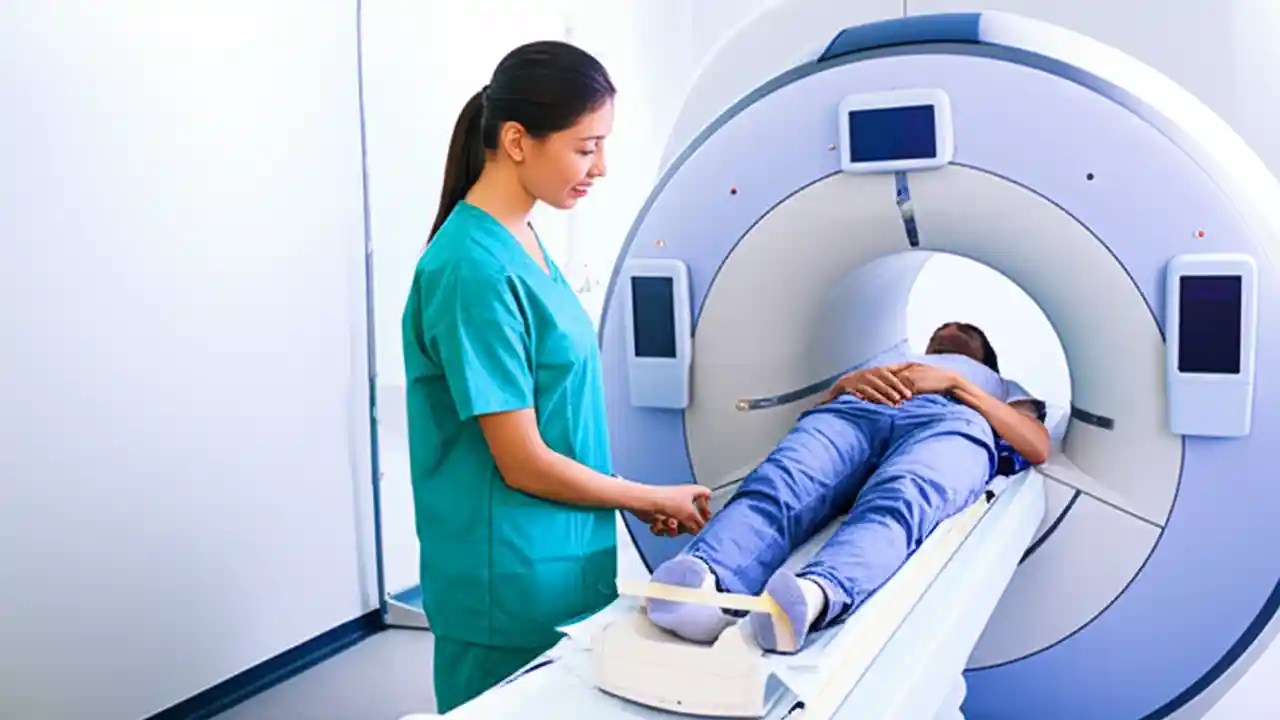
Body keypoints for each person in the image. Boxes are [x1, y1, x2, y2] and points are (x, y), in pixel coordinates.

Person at [401, 41, 711, 713]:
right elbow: (522, 461)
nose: (601, 167)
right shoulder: (471, 269)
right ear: (516, 140)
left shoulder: (524, 240)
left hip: (561, 567)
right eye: (585, 146)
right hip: (504, 583)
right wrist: (644, 497)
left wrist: (633, 498)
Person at [643, 322, 1050, 653]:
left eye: (966, 332)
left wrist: (958, 385)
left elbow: (1036, 445)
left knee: (902, 500)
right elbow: (819, 411)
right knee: (783, 482)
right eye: (939, 332)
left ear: (985, 357)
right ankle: (704, 579)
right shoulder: (897, 357)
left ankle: (816, 595)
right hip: (858, 406)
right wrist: (842, 387)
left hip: (954, 421)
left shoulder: (1001, 385)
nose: (950, 328)